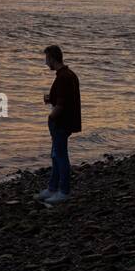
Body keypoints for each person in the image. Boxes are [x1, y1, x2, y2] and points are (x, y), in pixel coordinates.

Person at [37, 44, 81, 204]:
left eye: (46, 59)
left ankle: (63, 191)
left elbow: (62, 105)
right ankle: (52, 188)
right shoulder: (69, 74)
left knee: (60, 156)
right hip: (66, 122)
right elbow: (65, 99)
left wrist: (51, 117)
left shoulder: (63, 77)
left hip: (61, 123)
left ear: (52, 58)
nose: (45, 62)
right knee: (56, 155)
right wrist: (51, 99)